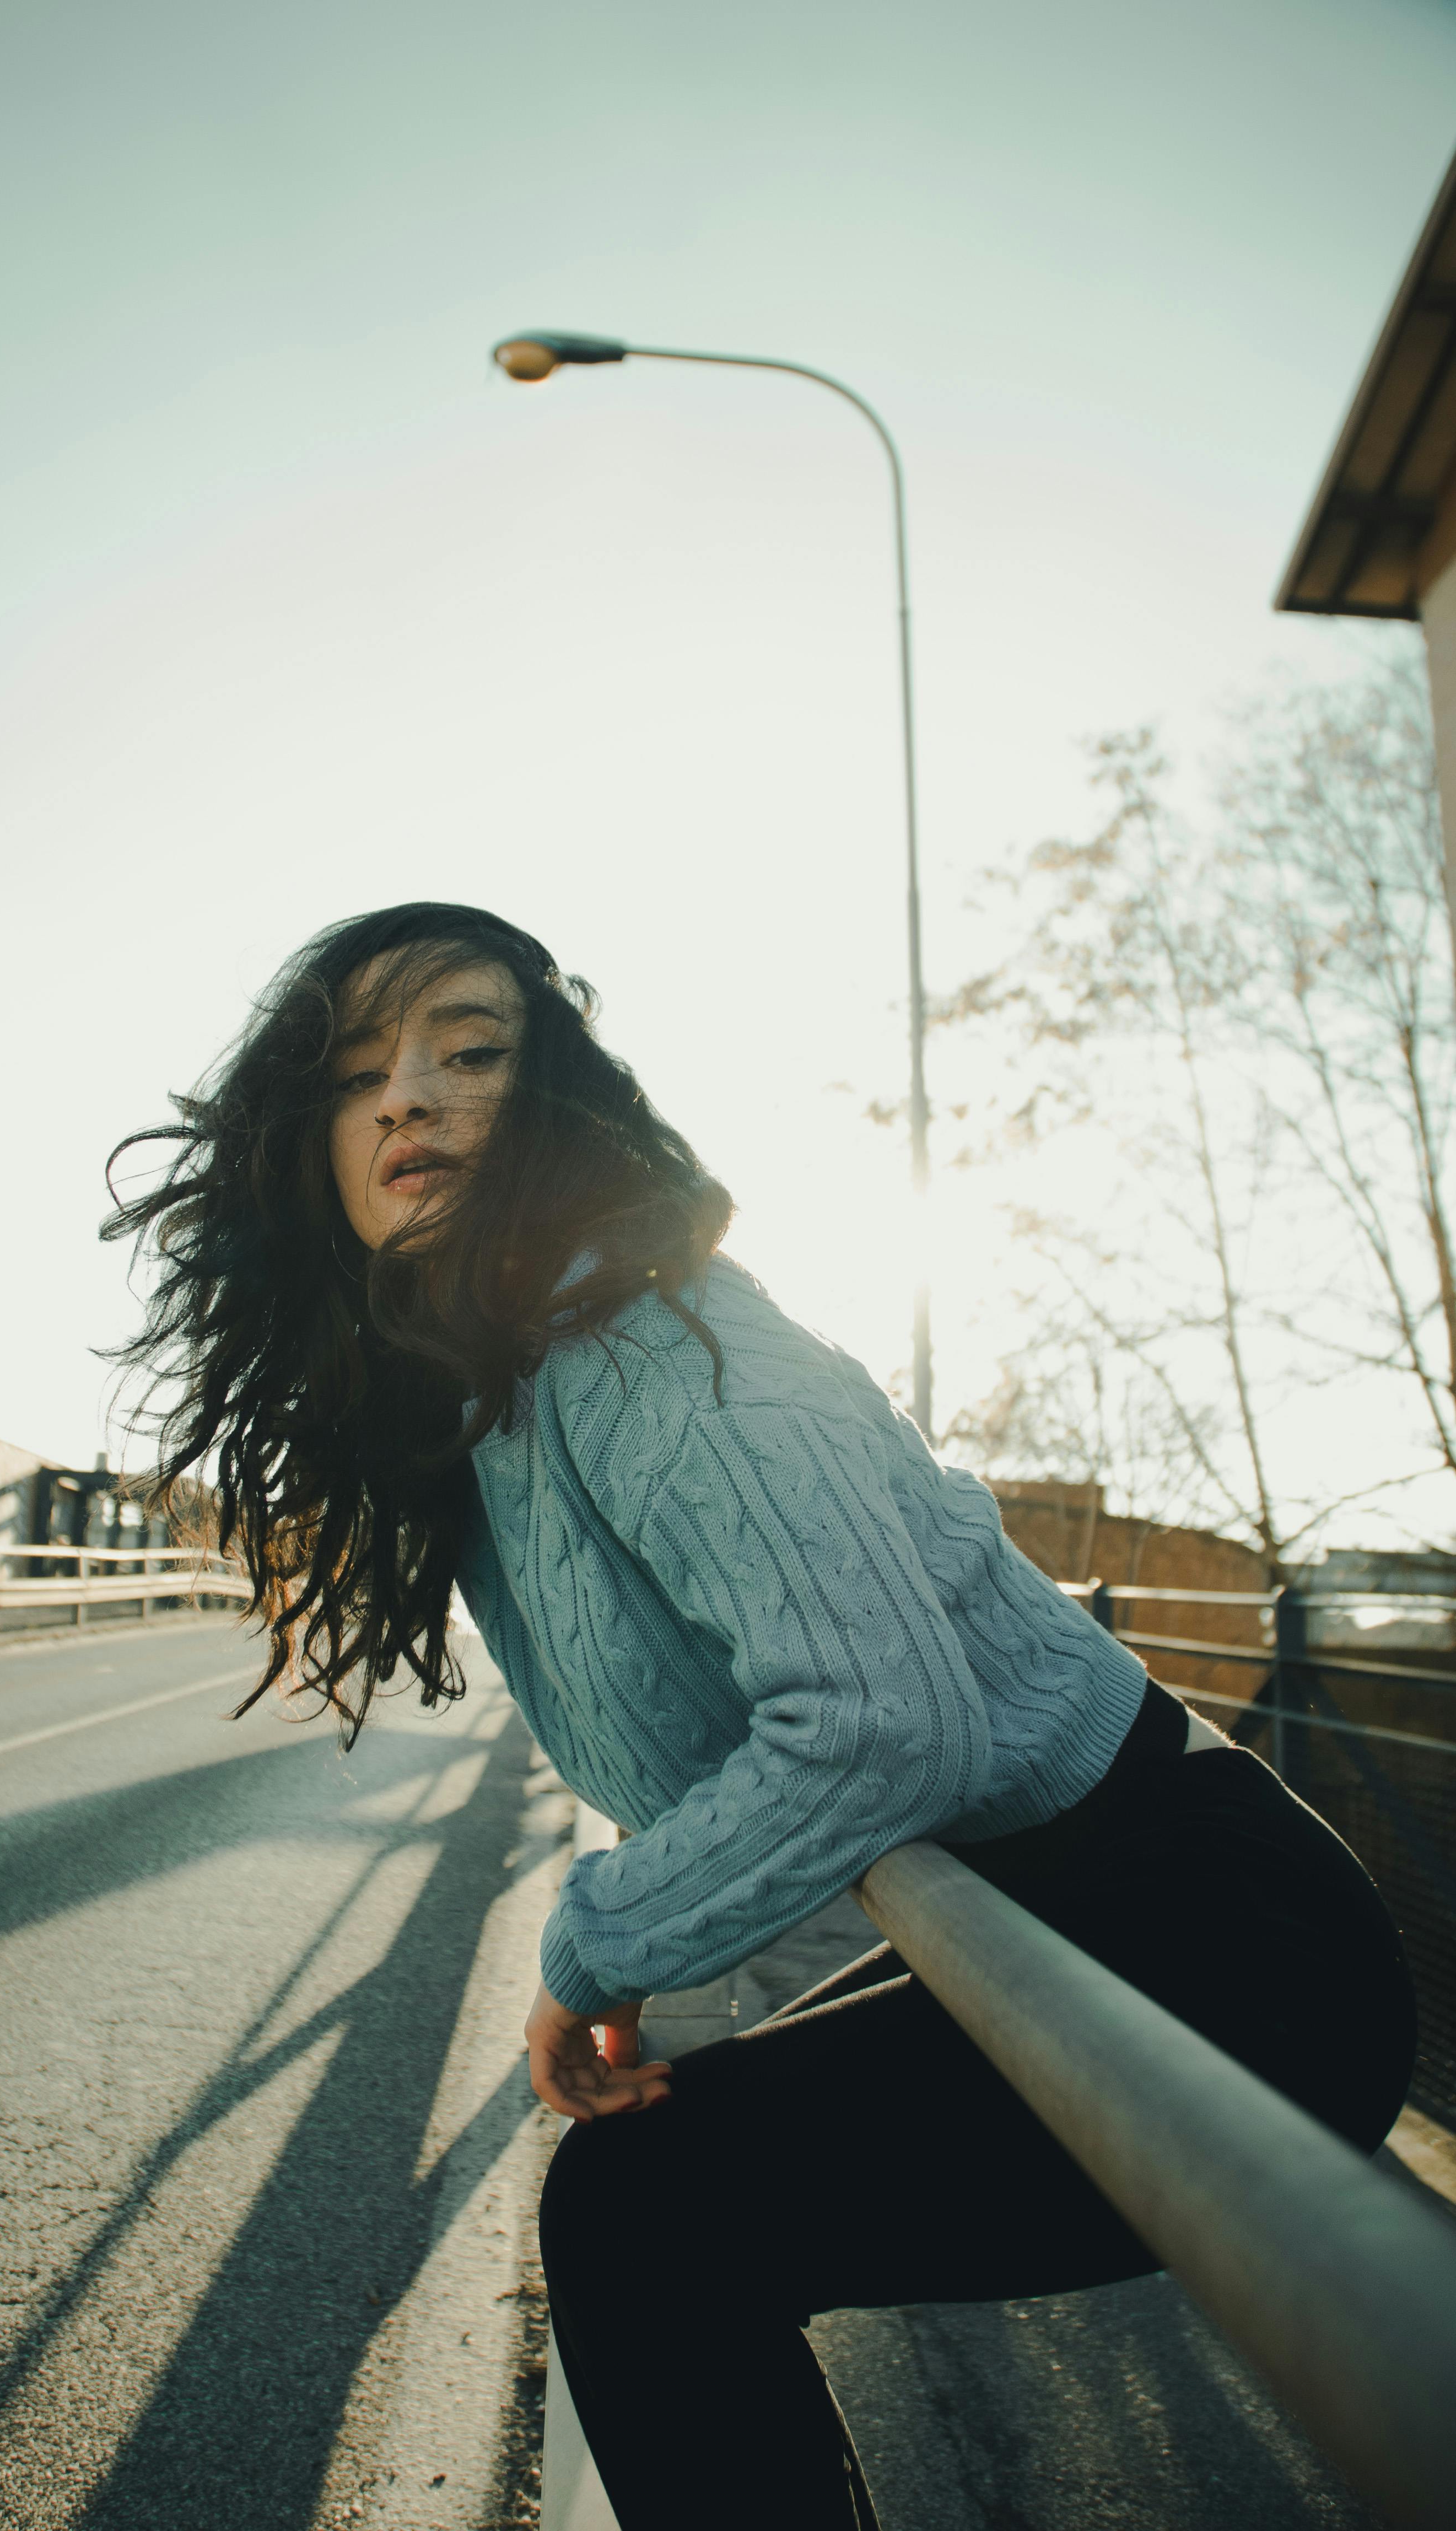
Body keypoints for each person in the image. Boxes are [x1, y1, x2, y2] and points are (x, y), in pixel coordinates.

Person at [106, 900, 1416, 2531]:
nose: (408, 1100)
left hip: (1220, 1948)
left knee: (646, 2218)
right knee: (656, 2209)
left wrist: (599, 1946)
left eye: (471, 1051)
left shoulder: (645, 1338)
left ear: (552, 1101)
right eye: (358, 1074)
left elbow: (880, 1724)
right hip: (1064, 1919)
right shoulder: (493, 1388)